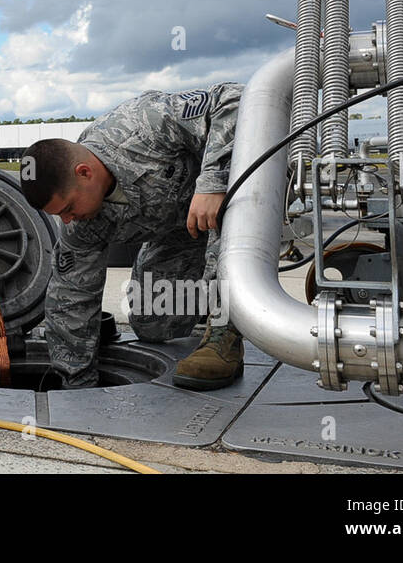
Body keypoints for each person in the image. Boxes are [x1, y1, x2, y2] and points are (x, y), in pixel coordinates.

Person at [19, 84, 246, 390]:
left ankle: (225, 332)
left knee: (228, 219)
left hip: (235, 201)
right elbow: (70, 298)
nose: (67, 219)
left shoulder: (143, 123)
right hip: (180, 231)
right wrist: (76, 383)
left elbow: (233, 99)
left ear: (85, 173)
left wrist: (213, 183)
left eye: (69, 207)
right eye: (60, 214)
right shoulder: (78, 222)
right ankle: (206, 302)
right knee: (154, 322)